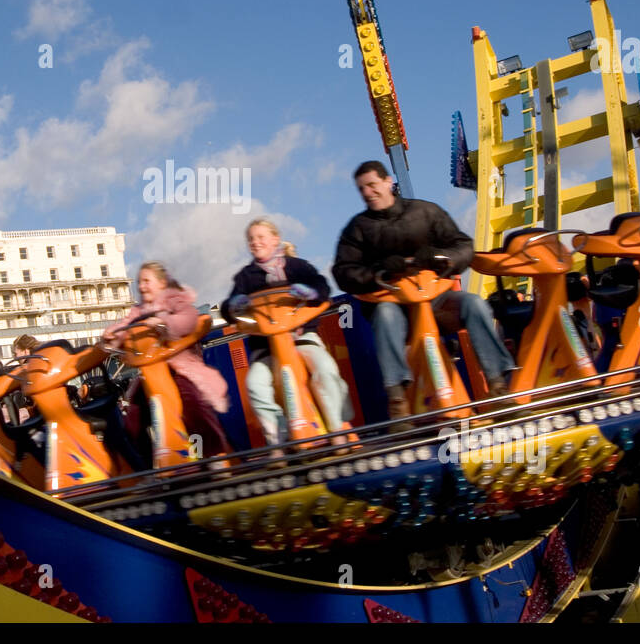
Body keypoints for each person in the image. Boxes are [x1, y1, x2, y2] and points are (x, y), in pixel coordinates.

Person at [332, 160, 516, 423]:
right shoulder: (357, 229)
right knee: (384, 315)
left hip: (436, 299)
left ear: (388, 182)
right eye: (361, 189)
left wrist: (441, 257)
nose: (367, 193)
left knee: (474, 304)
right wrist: (377, 271)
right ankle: (398, 399)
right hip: (395, 307)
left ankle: (497, 384)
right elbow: (344, 272)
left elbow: (463, 245)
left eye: (372, 185)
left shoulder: (425, 212)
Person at [221, 218, 352, 446]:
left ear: (275, 239)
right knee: (255, 384)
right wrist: (234, 304)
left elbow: (322, 287)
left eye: (261, 237)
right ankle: (278, 438)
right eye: (251, 239)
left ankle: (336, 427)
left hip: (302, 338)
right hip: (267, 345)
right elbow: (227, 309)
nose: (255, 242)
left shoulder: (297, 267)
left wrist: (310, 293)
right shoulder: (246, 277)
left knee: (325, 369)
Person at [102, 261, 234, 460]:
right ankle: (146, 465)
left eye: (147, 281)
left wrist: (165, 323)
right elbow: (125, 326)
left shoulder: (174, 301)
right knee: (134, 414)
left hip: (181, 367)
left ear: (162, 283)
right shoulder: (138, 311)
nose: (141, 286)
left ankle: (210, 455)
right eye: (139, 282)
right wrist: (113, 334)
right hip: (151, 371)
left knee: (192, 406)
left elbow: (189, 319)